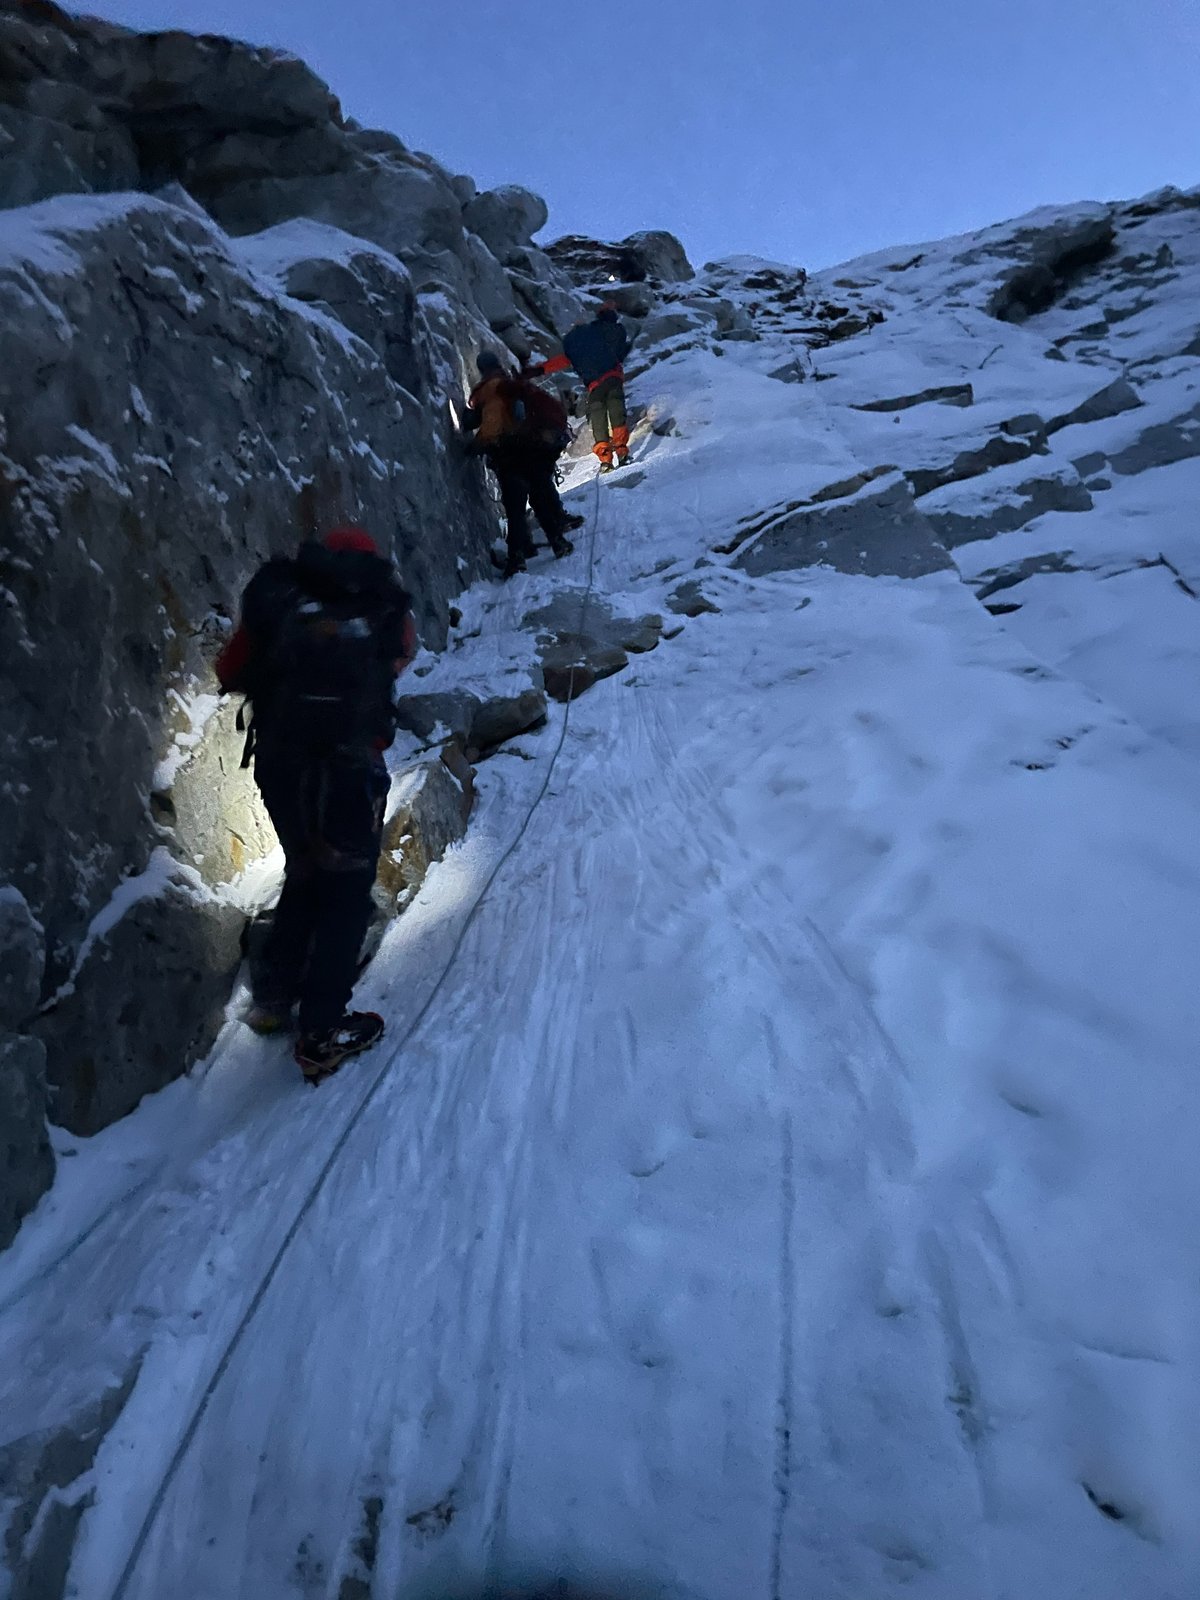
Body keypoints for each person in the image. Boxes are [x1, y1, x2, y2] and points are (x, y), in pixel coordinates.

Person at [215, 527, 416, 1084]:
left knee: (302, 869)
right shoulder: (381, 604)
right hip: (349, 768)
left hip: (280, 764)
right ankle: (323, 1030)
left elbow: (228, 671)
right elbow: (401, 655)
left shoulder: (281, 601)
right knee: (348, 893)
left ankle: (275, 998)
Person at [461, 351, 584, 578]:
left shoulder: (492, 387)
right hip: (535, 449)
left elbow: (493, 418)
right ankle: (557, 541)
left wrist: (478, 444)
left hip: (511, 454)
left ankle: (516, 559)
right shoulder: (514, 384)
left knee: (515, 507)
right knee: (540, 496)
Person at [529, 304, 632, 472]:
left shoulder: (576, 345)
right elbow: (618, 345)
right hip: (613, 378)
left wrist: (538, 369)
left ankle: (606, 461)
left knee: (598, 417)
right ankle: (621, 453)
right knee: (616, 411)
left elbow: (562, 360)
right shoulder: (603, 332)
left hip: (594, 385)